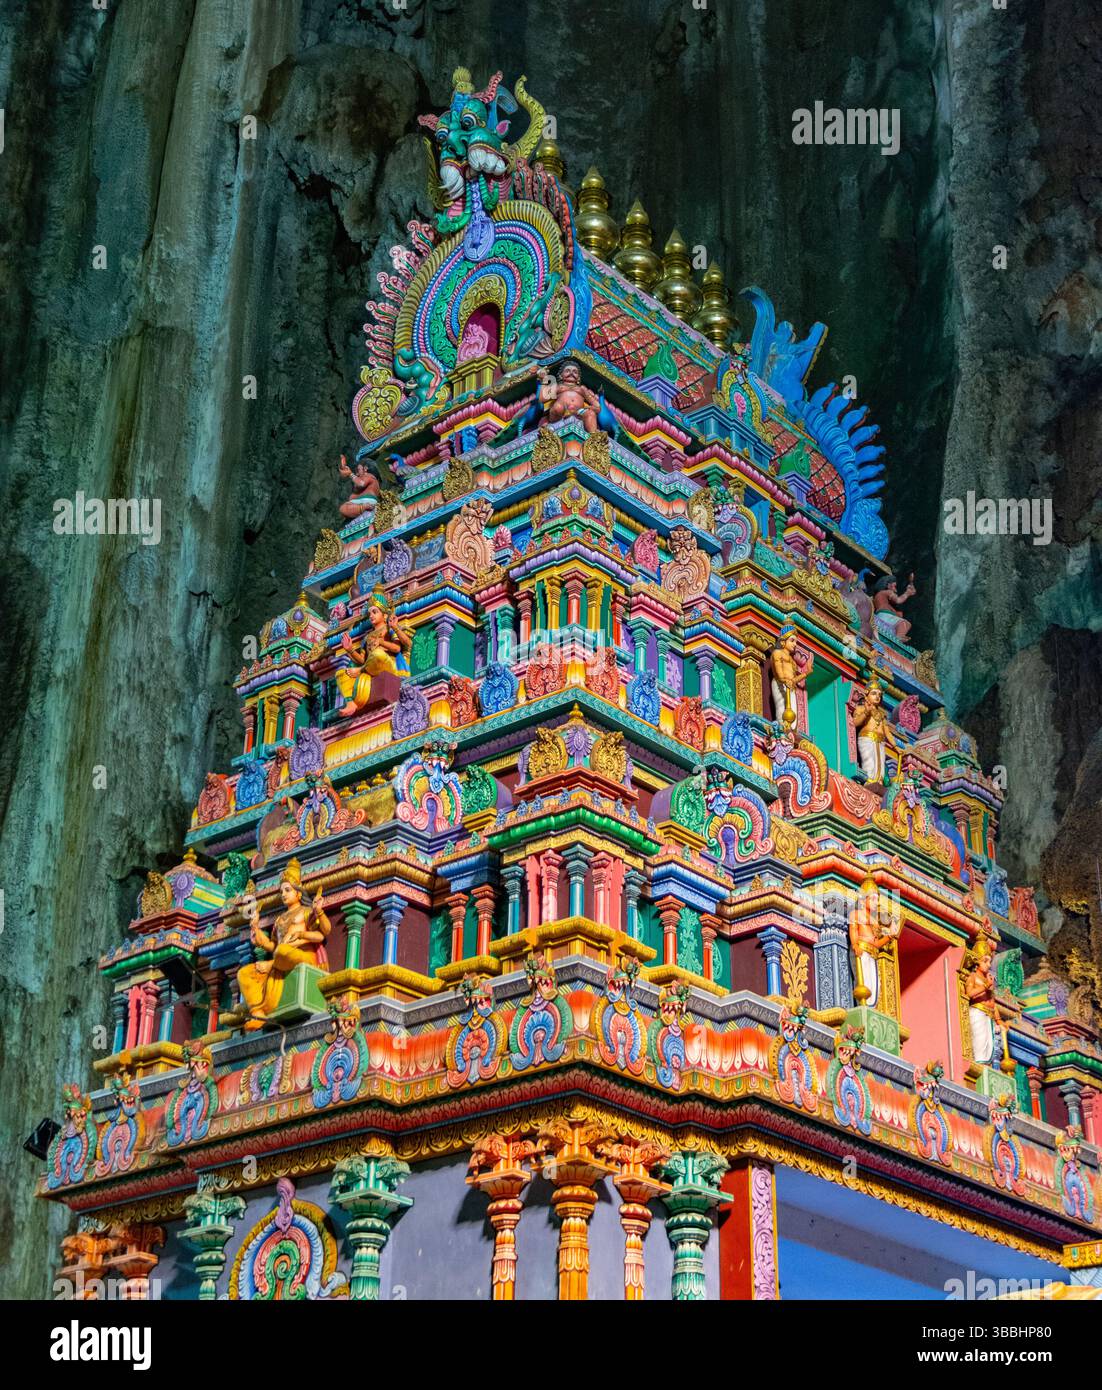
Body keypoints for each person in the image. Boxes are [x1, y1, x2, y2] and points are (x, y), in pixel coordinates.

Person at [238, 859, 331, 1028]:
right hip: (281, 958)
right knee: (244, 973)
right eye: (282, 891)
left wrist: (317, 913)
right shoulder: (280, 919)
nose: (283, 894)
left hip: (302, 956)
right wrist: (256, 931)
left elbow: (323, 934)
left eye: (288, 890)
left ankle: (272, 965)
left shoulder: (306, 912)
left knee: (281, 951)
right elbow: (273, 946)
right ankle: (258, 1013)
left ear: (298, 893)